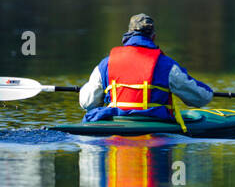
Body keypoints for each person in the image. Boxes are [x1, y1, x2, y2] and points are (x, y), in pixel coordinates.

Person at [79, 14, 213, 127]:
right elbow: (201, 98)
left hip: (115, 124)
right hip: (155, 125)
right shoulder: (167, 65)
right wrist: (209, 92)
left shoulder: (106, 63)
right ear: (153, 37)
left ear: (127, 36)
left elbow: (88, 103)